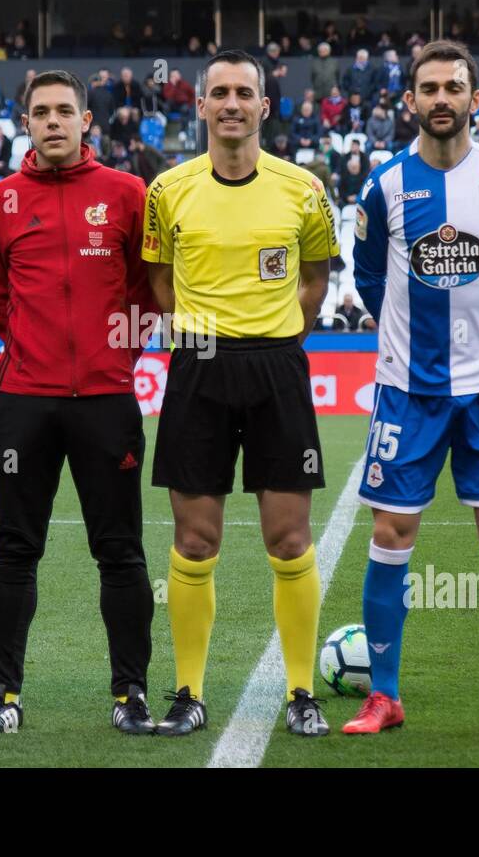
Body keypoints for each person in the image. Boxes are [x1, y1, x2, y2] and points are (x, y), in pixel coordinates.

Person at [346, 39, 479, 737]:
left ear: (475, 100)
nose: (440, 99)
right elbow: (369, 275)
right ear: (409, 101)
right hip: (407, 389)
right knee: (391, 531)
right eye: (428, 88)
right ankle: (385, 694)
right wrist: (410, 334)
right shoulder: (386, 185)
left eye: (453, 88)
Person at [142, 49, 340, 737]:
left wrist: (280, 334)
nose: (231, 104)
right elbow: (159, 282)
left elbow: (315, 276)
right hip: (198, 365)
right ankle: (189, 691)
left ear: (264, 104)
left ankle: (301, 691)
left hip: (277, 365)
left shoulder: (304, 189)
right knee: (195, 542)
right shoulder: (167, 190)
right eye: (218, 93)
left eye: (243, 93)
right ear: (199, 107)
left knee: (289, 540)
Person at [0, 70, 158, 736]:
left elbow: (144, 294)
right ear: (25, 121)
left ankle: (131, 694)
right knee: (15, 548)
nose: (53, 121)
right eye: (41, 111)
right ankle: (3, 695)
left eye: (65, 111)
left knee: (121, 551)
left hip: (107, 401)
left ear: (86, 121)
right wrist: (35, 356)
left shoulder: (128, 194)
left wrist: (112, 363)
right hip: (24, 401)